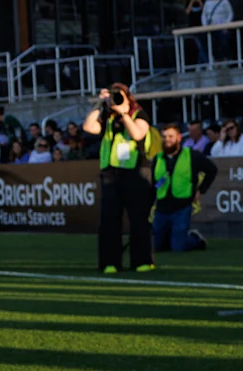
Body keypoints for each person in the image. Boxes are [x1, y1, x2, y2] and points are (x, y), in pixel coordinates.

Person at [84, 83, 159, 275]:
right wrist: (99, 104)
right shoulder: (107, 118)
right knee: (109, 220)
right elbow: (88, 127)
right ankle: (110, 262)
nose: (115, 100)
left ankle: (142, 260)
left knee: (138, 219)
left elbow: (137, 133)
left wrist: (124, 113)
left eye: (119, 96)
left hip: (135, 171)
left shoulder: (138, 114)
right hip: (111, 173)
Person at [152, 122, 219, 253]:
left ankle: (195, 239)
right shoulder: (158, 158)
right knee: (157, 247)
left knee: (178, 247)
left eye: (170, 136)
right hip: (162, 208)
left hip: (181, 208)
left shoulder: (192, 155)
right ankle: (170, 236)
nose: (167, 140)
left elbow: (212, 169)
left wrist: (201, 190)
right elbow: (153, 183)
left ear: (179, 138)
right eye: (164, 137)